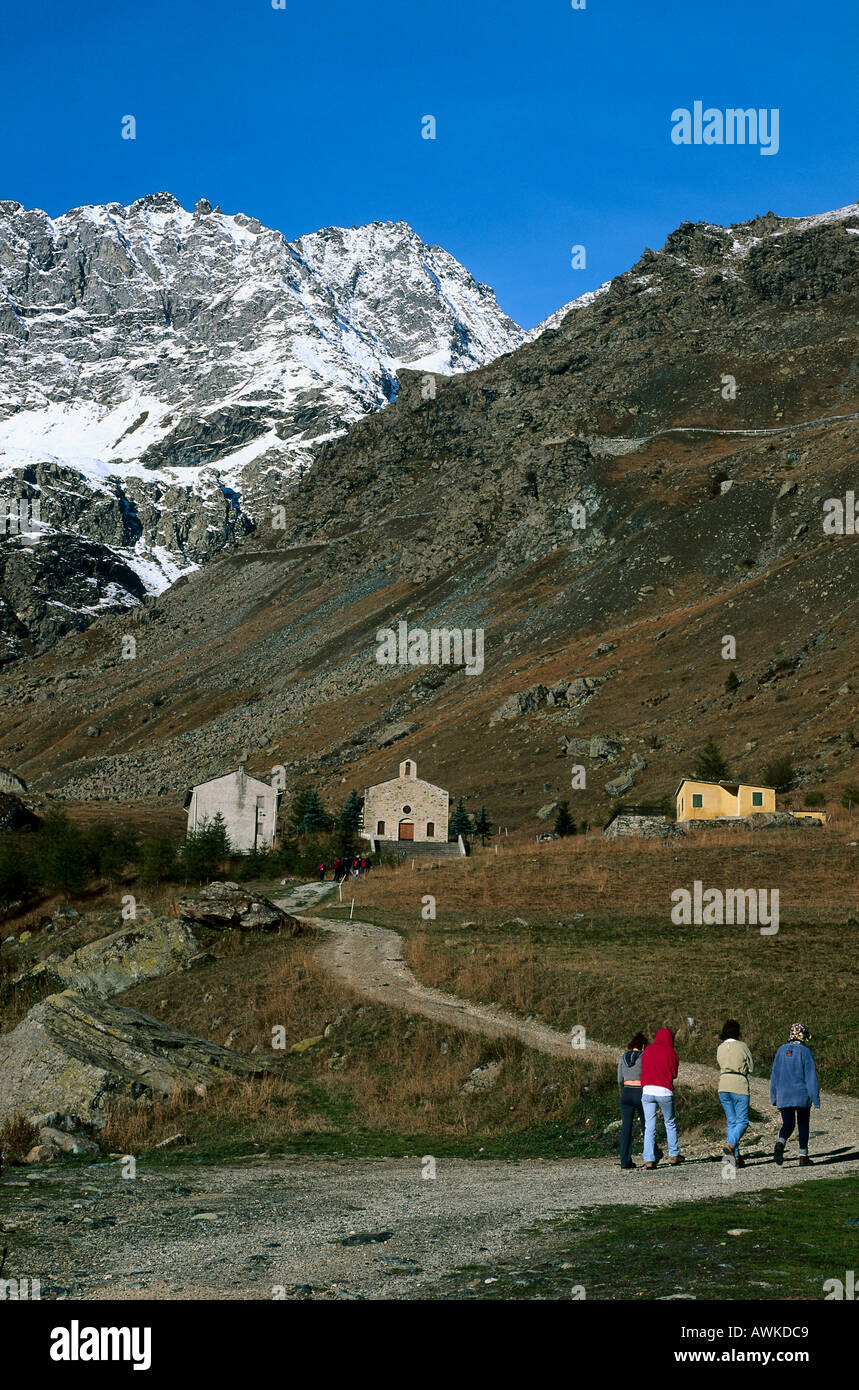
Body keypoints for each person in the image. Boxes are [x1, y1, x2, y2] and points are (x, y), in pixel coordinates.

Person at [770, 1022, 820, 1167]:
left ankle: (780, 1142)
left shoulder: (780, 1051)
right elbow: (810, 1077)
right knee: (803, 1124)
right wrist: (815, 1098)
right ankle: (803, 1156)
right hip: (801, 1095)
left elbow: (774, 1075)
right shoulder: (805, 1052)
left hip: (783, 1094)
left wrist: (774, 1096)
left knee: (788, 1124)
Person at [641, 1027, 684, 1168]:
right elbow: (674, 1073)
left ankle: (649, 1159)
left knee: (649, 1126)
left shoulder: (647, 1050)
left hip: (647, 1090)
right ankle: (673, 1155)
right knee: (669, 1122)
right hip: (664, 1091)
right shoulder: (670, 1052)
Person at [717, 1019, 754, 1168]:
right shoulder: (742, 1046)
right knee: (743, 1121)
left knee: (732, 1122)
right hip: (739, 1084)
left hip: (723, 1084)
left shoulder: (720, 1047)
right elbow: (751, 1067)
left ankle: (735, 1157)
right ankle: (731, 1144)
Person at [617, 1032, 652, 1170]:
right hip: (640, 1092)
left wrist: (623, 1090)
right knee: (646, 1125)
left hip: (626, 1092)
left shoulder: (623, 1057)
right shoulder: (644, 1057)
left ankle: (625, 1160)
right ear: (643, 1046)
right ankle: (652, 1154)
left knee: (626, 1127)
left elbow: (619, 1079)